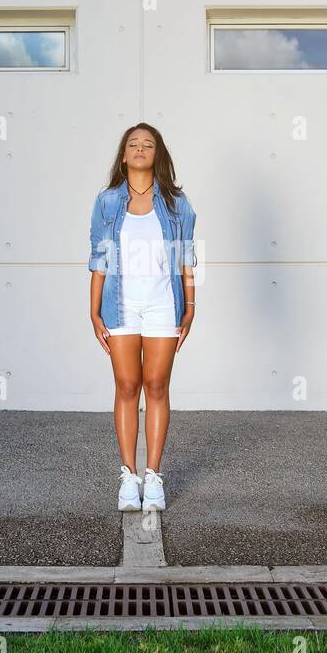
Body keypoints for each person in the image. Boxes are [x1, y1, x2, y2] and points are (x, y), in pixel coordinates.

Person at [87, 123, 197, 512]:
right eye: (133, 144)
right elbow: (99, 258)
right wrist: (93, 310)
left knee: (156, 386)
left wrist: (191, 307)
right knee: (127, 385)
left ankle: (153, 478)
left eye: (147, 144)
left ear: (157, 154)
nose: (139, 149)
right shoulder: (107, 202)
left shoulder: (177, 204)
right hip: (120, 305)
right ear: (123, 155)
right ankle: (128, 476)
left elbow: (187, 259)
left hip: (163, 305)